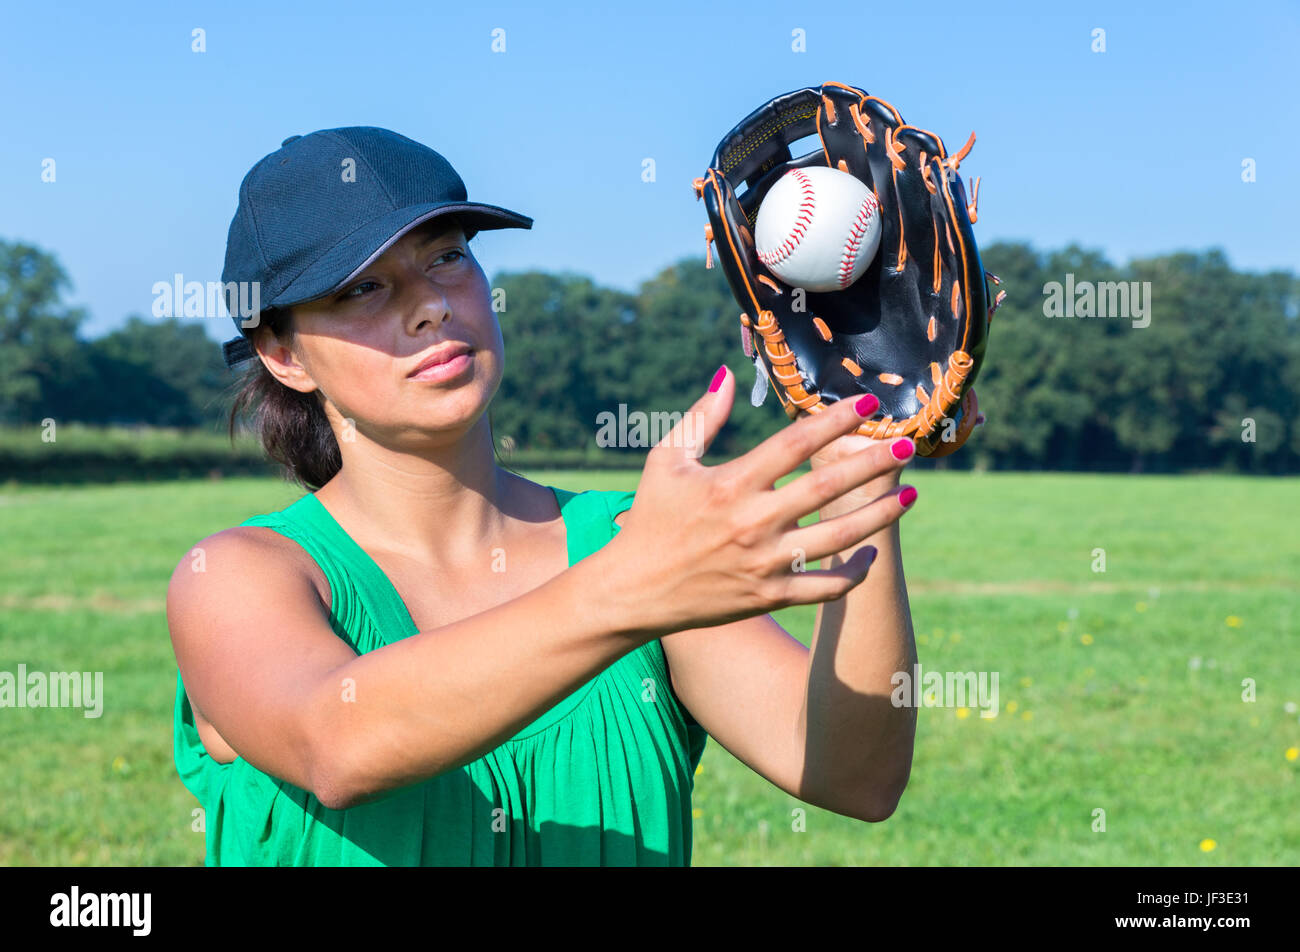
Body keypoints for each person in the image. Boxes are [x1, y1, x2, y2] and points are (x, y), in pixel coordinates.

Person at [167, 126, 922, 866]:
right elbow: (336, 745)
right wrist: (631, 590)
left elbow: (853, 775)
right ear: (284, 354)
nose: (431, 305)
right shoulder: (235, 575)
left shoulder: (632, 542)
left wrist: (859, 470)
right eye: (365, 287)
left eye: (447, 257)